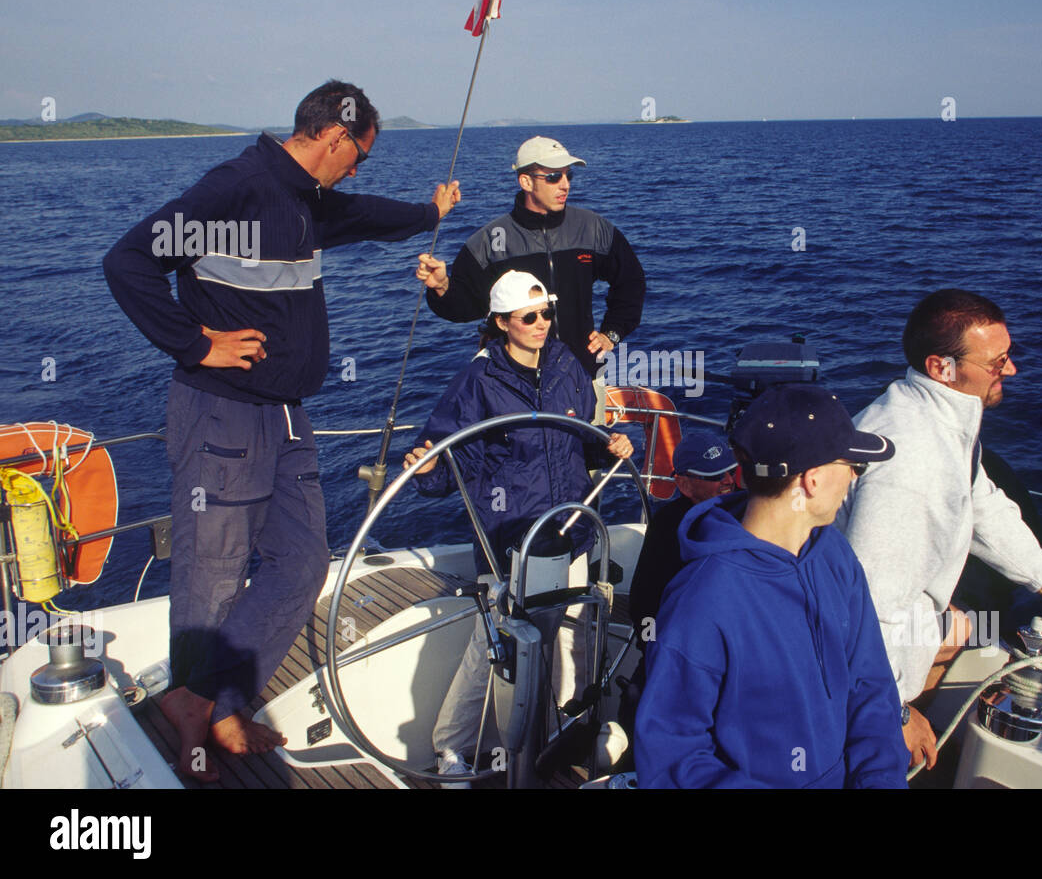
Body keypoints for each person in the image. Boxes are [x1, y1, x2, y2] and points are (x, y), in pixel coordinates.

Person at [102, 80, 461, 782]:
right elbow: (129, 262)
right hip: (222, 411)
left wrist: (428, 212)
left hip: (288, 415)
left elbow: (361, 215)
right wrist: (195, 343)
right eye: (357, 155)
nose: (356, 170)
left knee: (303, 563)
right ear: (333, 136)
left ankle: (221, 699)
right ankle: (193, 716)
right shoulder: (235, 191)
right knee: (212, 575)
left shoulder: (306, 200)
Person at [837, 289, 1042, 771]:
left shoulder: (938, 419)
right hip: (850, 654)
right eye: (997, 362)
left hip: (873, 634)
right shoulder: (913, 461)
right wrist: (894, 712)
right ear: (942, 367)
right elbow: (874, 603)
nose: (1011, 371)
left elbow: (984, 506)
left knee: (959, 628)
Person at [404, 270, 633, 782]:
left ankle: (557, 735)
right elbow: (448, 455)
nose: (541, 324)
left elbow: (580, 433)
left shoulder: (564, 363)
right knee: (495, 647)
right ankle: (449, 747)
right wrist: (428, 469)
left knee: (570, 637)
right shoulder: (478, 381)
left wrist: (607, 445)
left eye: (546, 314)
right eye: (528, 317)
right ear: (502, 322)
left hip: (568, 528)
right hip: (509, 539)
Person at [635, 384, 908, 789]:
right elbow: (672, 755)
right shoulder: (703, 600)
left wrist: (881, 780)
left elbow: (869, 683)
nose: (854, 476)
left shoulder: (834, 554)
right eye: (853, 465)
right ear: (812, 480)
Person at [416, 136, 646, 377]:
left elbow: (631, 281)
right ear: (525, 181)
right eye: (554, 177)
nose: (565, 184)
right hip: (512, 382)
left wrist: (611, 333)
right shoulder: (490, 241)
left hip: (582, 375)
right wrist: (442, 287)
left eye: (569, 176)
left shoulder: (594, 229)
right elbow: (466, 307)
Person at [618, 432, 737, 742]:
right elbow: (644, 600)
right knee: (637, 706)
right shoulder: (667, 528)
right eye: (714, 475)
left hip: (730, 651)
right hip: (678, 648)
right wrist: (655, 652)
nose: (727, 480)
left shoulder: (746, 514)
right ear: (684, 484)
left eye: (729, 471)